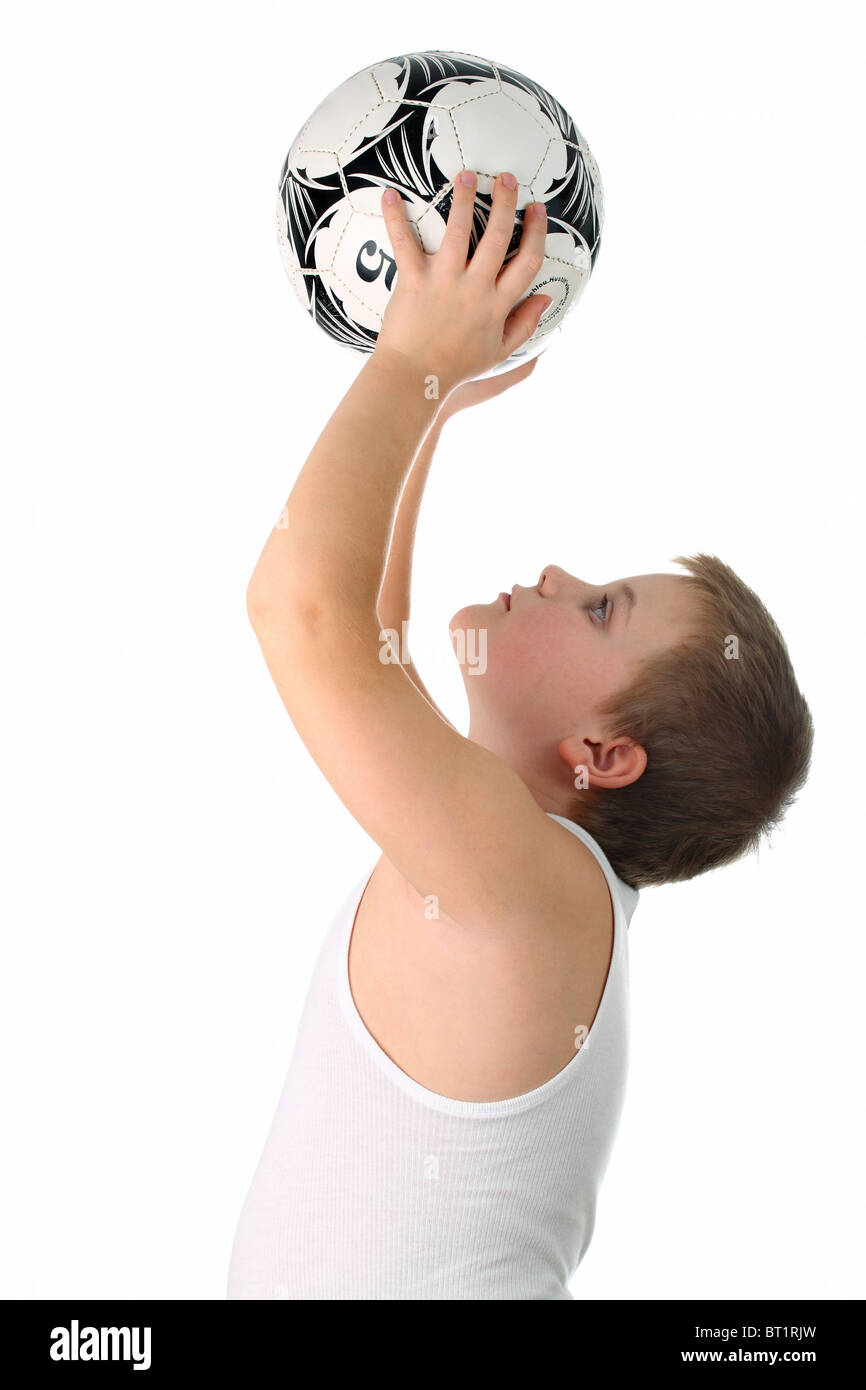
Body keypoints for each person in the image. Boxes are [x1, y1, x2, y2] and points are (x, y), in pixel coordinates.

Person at [227, 170, 813, 1300]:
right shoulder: (521, 875)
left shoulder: (534, 896)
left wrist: (412, 365)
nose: (556, 573)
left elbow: (300, 614)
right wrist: (426, 412)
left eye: (600, 607)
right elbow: (368, 634)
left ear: (601, 756)